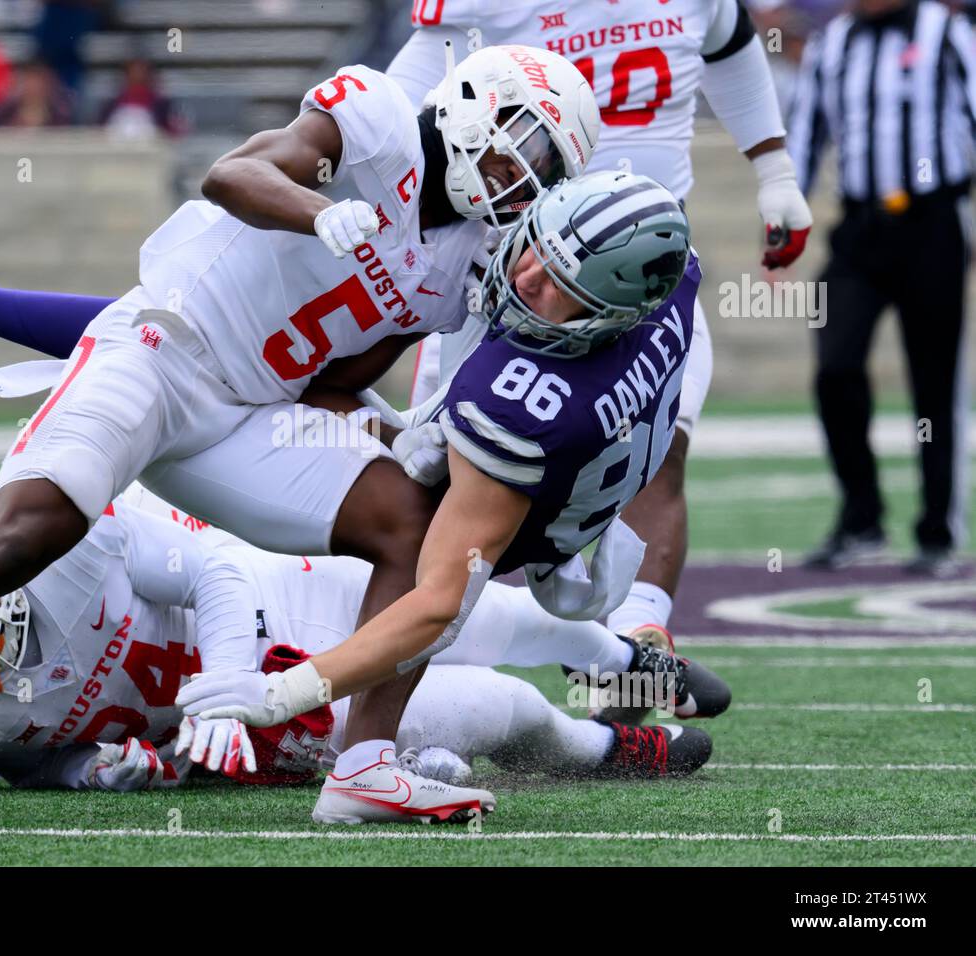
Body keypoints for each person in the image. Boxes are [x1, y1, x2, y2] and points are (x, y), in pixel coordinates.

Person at [0, 46, 600, 823]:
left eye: (546, 167)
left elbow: (335, 379)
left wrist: (391, 429)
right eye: (523, 144)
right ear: (472, 108)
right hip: (164, 348)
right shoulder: (380, 124)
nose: (520, 176)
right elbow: (232, 174)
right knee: (28, 530)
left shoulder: (462, 262)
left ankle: (364, 766)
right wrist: (320, 215)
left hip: (250, 415)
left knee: (414, 526)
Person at [0, 337, 714, 822]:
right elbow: (16, 751)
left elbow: (217, 564)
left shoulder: (70, 552)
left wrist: (231, 680)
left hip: (273, 613)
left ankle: (621, 655)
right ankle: (610, 742)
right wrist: (96, 767)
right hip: (259, 722)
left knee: (488, 613)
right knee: (497, 707)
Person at [176, 171, 731, 823]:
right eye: (539, 254)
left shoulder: (521, 405)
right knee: (505, 618)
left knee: (453, 599)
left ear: (608, 316)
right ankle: (633, 664)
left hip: (541, 508)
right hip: (590, 469)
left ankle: (610, 730)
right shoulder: (666, 266)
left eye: (561, 289)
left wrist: (282, 693)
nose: (527, 281)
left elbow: (435, 605)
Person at [392, 0, 816, 644]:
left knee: (659, 450)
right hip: (514, 274)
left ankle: (634, 654)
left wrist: (775, 172)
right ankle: (402, 671)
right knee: (442, 473)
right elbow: (398, 112)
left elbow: (731, 47)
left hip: (647, 277)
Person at [788, 0, 976, 574]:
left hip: (933, 224)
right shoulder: (833, 44)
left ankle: (937, 532)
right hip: (860, 228)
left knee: (934, 385)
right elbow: (804, 133)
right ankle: (862, 518)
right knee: (834, 367)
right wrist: (783, 219)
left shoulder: (949, 32)